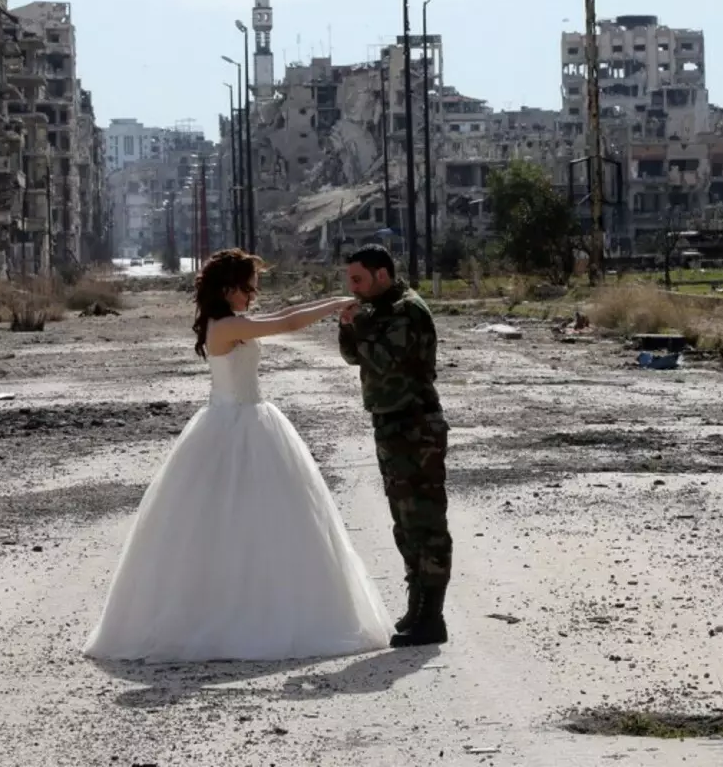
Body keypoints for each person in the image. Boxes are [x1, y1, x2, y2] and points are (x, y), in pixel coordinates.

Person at [83, 249, 393, 663]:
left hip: (245, 420)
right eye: (249, 287)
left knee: (254, 520)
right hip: (235, 423)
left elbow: (286, 311)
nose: (253, 294)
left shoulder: (232, 322)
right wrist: (336, 305)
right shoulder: (225, 326)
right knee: (229, 521)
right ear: (230, 289)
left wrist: (333, 303)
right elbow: (285, 323)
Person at [338, 244, 452, 649]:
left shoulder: (406, 309)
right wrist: (348, 326)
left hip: (416, 425)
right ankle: (417, 607)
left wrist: (362, 327)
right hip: (390, 425)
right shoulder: (378, 310)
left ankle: (432, 617)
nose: (352, 288)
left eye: (358, 280)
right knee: (405, 523)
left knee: (426, 522)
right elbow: (356, 357)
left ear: (381, 274)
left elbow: (387, 360)